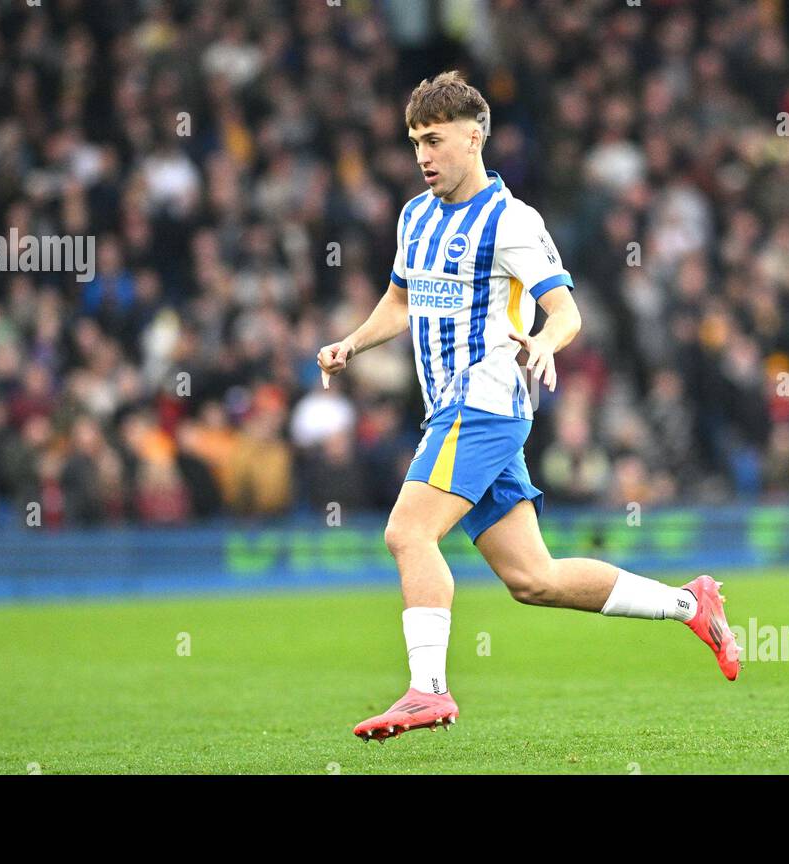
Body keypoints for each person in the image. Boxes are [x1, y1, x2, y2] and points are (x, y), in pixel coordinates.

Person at [315, 72, 740, 743]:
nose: (422, 155)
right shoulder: (414, 217)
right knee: (533, 579)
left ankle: (428, 691)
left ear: (473, 136)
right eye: (415, 142)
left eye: (434, 139)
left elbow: (565, 310)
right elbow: (400, 302)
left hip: (483, 403)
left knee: (408, 531)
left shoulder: (511, 220)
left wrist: (543, 343)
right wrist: (353, 343)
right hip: (450, 411)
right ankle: (692, 604)